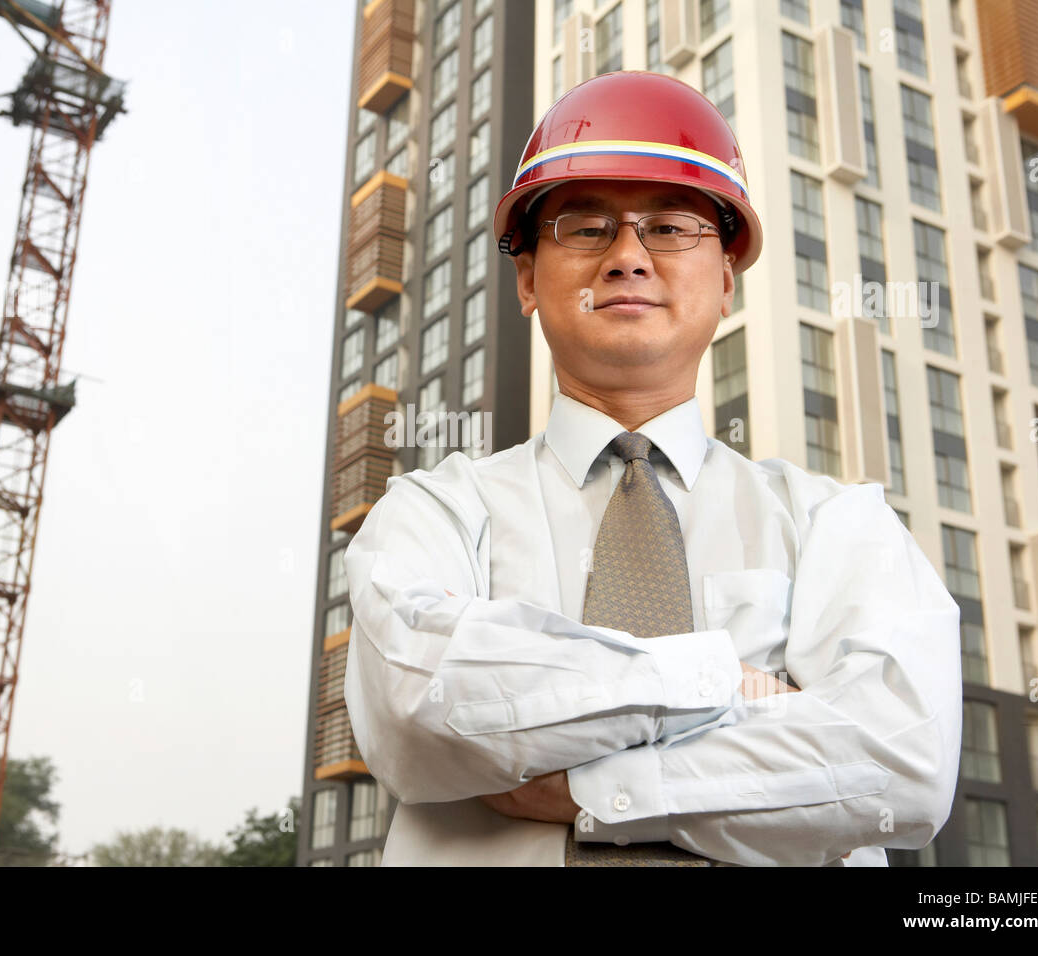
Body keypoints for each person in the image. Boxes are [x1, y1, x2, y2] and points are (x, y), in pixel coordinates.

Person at [342, 71, 962, 866]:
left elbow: (901, 763)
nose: (629, 257)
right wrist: (722, 680)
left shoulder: (835, 522)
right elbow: (420, 706)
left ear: (727, 278)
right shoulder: (435, 510)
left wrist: (581, 785)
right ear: (528, 277)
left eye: (670, 228)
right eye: (586, 228)